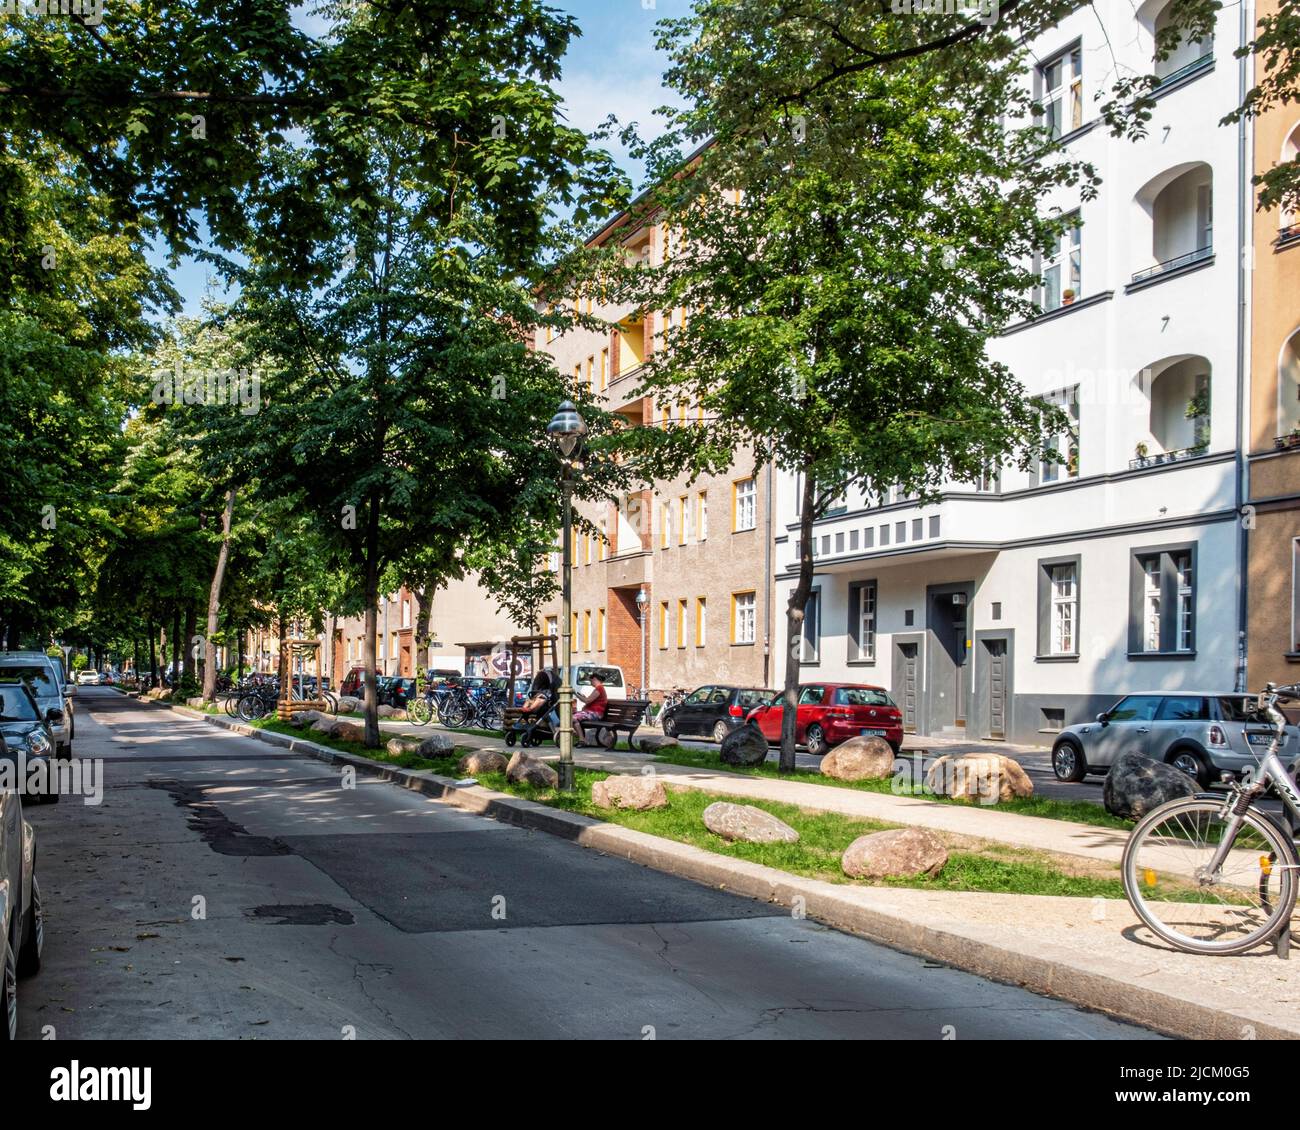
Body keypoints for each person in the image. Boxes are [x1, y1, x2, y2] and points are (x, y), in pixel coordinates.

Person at [573, 673, 608, 747]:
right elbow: (590, 701)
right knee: (572, 717)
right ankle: (581, 739)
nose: (590, 683)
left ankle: (582, 740)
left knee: (573, 718)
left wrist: (576, 695)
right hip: (592, 713)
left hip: (596, 714)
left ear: (595, 679)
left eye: (591, 681)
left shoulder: (599, 688)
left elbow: (587, 701)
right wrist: (584, 699)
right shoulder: (598, 689)